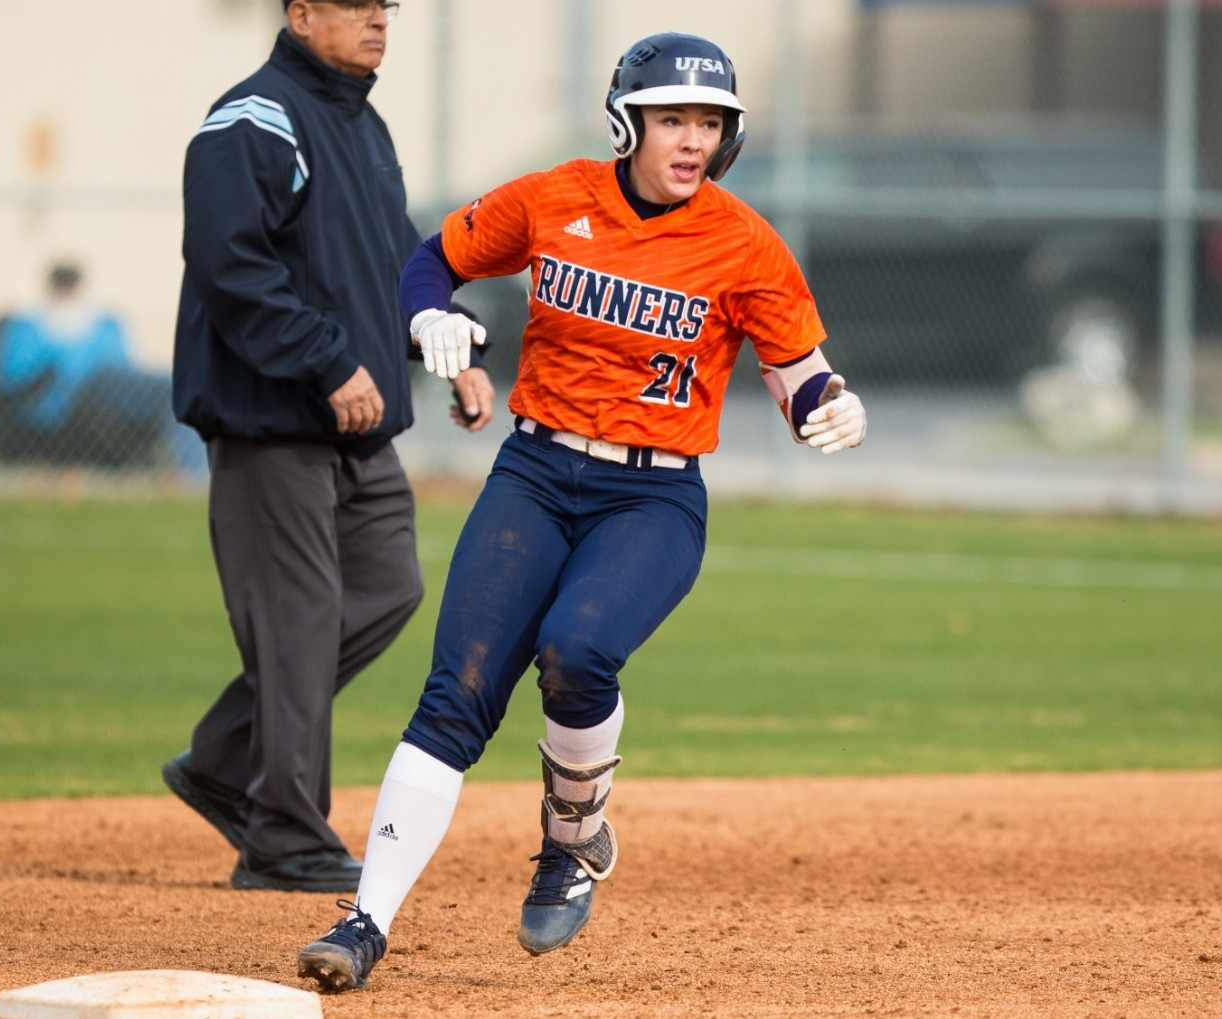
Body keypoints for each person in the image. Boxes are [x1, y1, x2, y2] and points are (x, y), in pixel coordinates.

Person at [295, 31, 867, 993]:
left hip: (651, 495)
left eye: (709, 123)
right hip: (535, 471)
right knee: (457, 692)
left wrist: (825, 405)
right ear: (626, 122)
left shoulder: (743, 242)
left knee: (577, 650)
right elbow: (430, 261)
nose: (692, 139)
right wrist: (428, 315)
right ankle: (364, 922)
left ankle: (570, 841)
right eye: (671, 119)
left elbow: (795, 369)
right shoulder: (555, 199)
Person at [163, 0, 495, 895]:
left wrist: (446, 343)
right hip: (272, 416)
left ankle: (226, 758)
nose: (378, 20)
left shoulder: (359, 119)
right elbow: (231, 265)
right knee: (299, 622)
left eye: (385, 5)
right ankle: (283, 838)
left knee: (389, 586)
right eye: (355, 6)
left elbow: (394, 261)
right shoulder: (253, 118)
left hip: (354, 420)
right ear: (301, 14)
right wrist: (325, 361)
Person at [0, 261, 199, 471]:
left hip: (107, 386)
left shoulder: (104, 321)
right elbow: (15, 377)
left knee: (173, 388)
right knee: (162, 389)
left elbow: (124, 365)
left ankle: (193, 473)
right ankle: (193, 475)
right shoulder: (27, 325)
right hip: (75, 397)